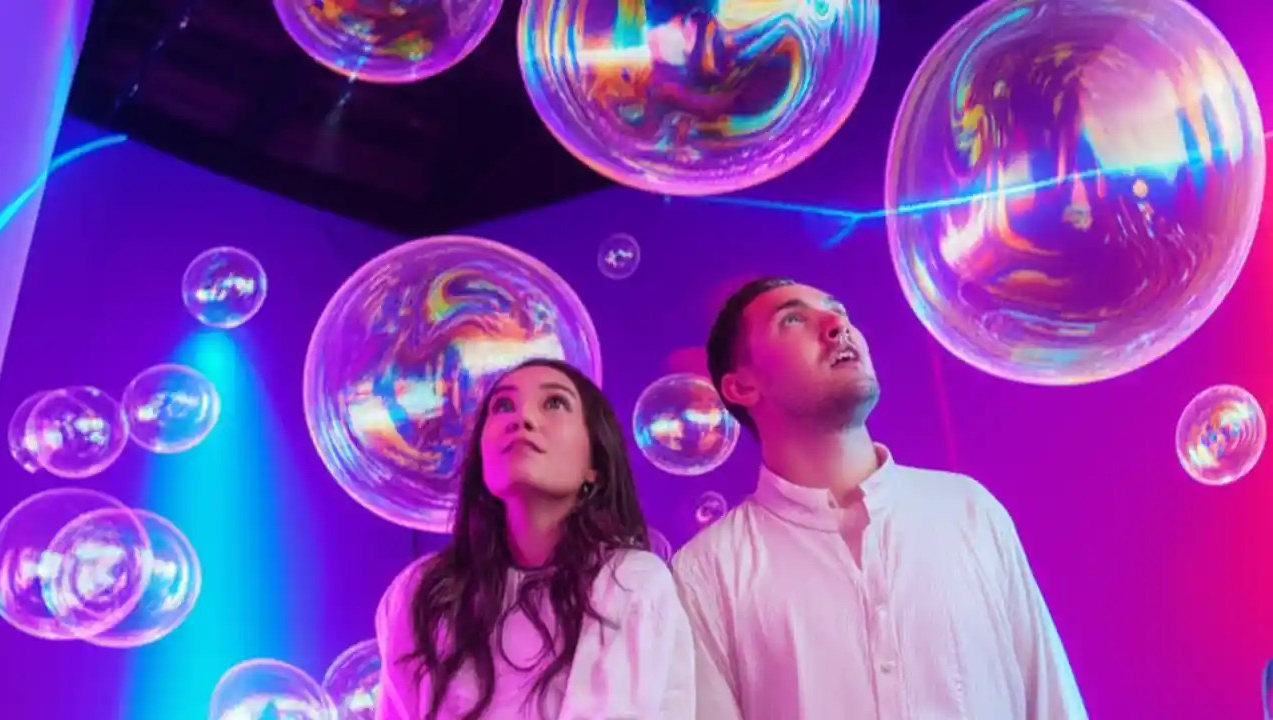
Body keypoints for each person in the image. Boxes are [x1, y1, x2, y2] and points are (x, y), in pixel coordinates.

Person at [671, 276, 1087, 719]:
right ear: (742, 388)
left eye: (840, 310)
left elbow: (1051, 700)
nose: (837, 324)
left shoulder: (968, 510)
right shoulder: (707, 570)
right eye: (792, 319)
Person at [375, 358, 695, 720]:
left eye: (554, 403)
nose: (522, 419)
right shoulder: (421, 591)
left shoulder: (631, 582)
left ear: (596, 465)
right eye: (503, 406)